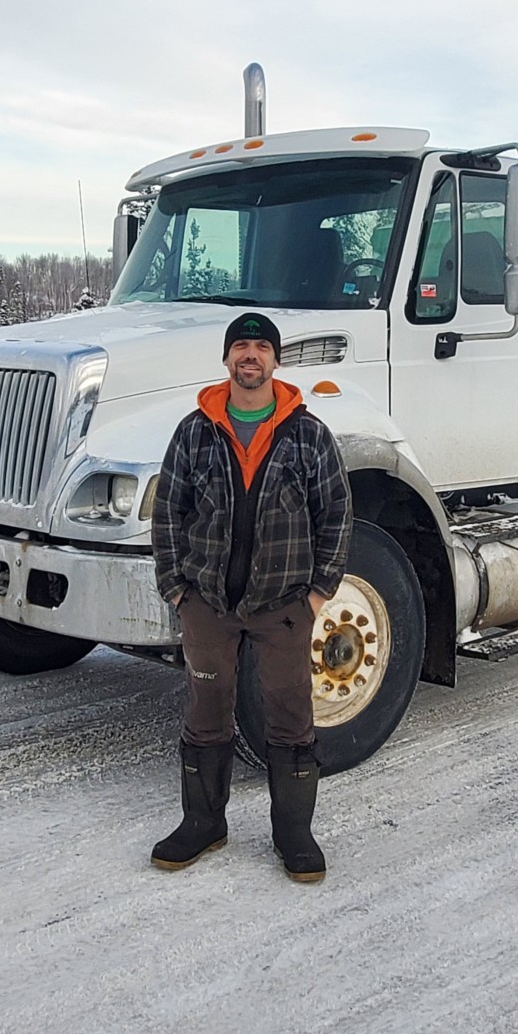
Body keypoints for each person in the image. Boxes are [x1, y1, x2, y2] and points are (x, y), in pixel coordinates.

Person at [150, 312, 353, 882]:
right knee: (205, 712)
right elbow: (168, 513)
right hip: (207, 604)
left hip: (283, 605)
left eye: (261, 347)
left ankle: (294, 834)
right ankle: (204, 823)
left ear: (275, 360)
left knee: (290, 719)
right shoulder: (195, 430)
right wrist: (176, 588)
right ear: (226, 358)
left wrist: (317, 594)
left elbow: (336, 515)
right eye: (241, 346)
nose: (250, 356)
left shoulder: (308, 433)